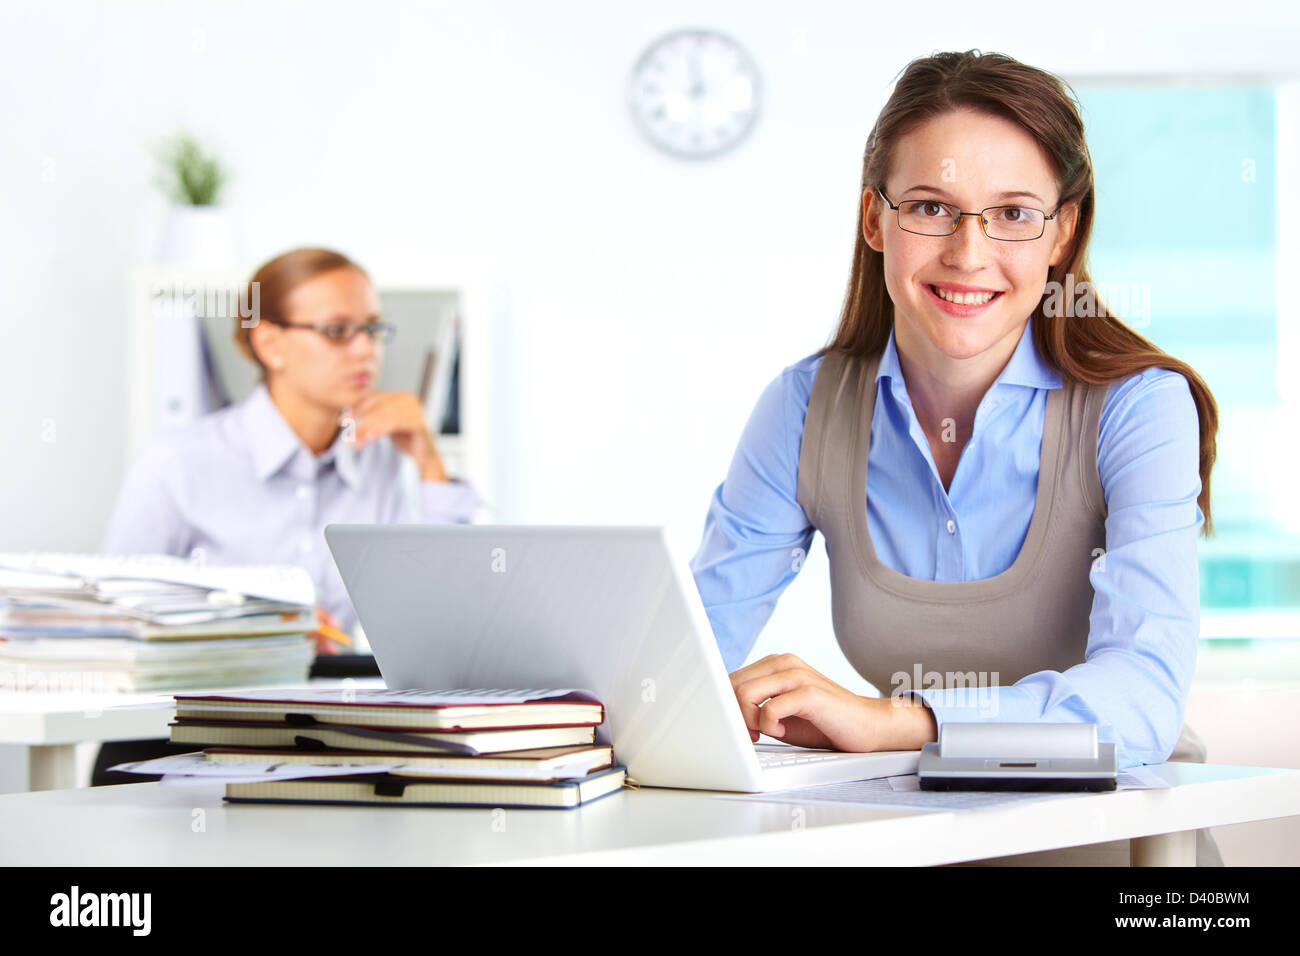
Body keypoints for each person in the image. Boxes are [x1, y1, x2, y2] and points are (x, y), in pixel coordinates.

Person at [689, 51, 1222, 865]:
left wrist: (905, 722)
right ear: (876, 220)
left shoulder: (1139, 408)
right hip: (914, 848)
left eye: (1013, 213)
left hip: (1127, 860)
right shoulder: (804, 408)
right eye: (933, 208)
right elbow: (688, 658)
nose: (969, 254)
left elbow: (1144, 699)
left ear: (1063, 232)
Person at [93, 247, 480, 784]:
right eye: (339, 330)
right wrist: (256, 630)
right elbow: (113, 621)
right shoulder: (177, 461)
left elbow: (447, 618)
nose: (366, 348)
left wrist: (430, 461)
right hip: (185, 741)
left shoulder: (384, 461)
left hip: (325, 740)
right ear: (269, 342)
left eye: (372, 328)